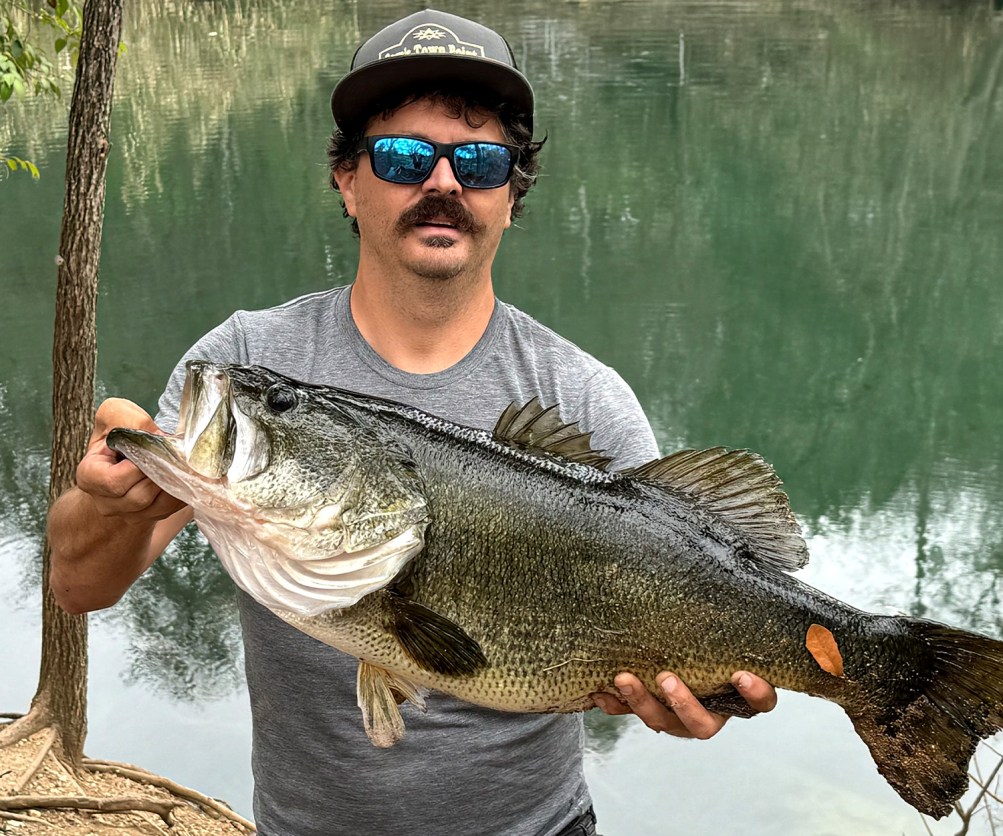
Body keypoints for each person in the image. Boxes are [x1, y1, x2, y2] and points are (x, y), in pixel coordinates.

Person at [47, 10, 776, 835]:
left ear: (511, 195)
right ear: (349, 182)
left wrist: (696, 693)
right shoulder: (250, 361)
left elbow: (672, 624)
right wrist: (108, 507)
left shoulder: (583, 397)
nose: (443, 183)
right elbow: (80, 586)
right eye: (401, 156)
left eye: (479, 160)